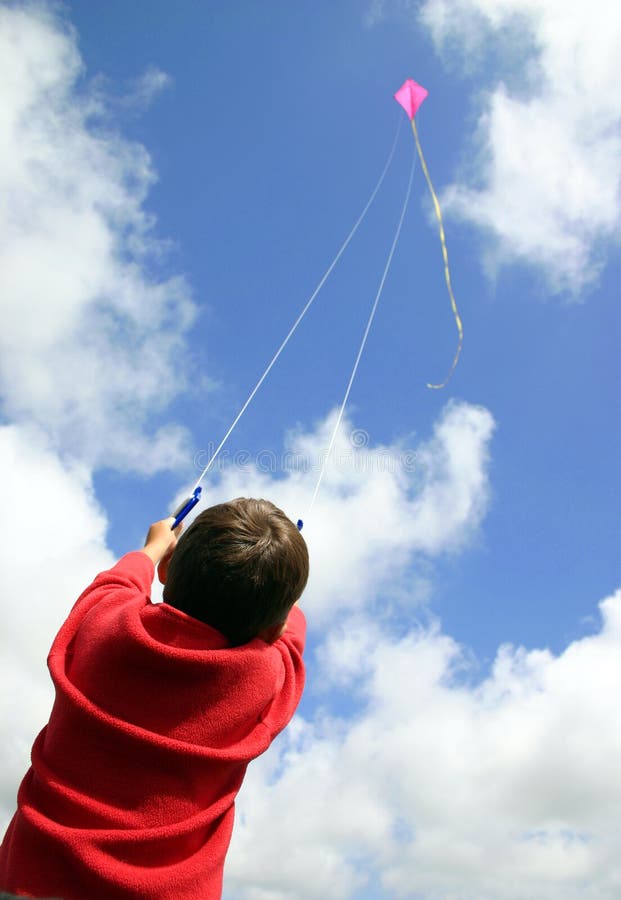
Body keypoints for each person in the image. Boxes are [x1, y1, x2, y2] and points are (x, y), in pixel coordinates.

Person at [0, 498, 308, 900]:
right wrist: (281, 595)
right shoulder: (266, 680)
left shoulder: (103, 625)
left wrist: (153, 548)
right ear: (272, 629)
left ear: (166, 571)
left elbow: (117, 582)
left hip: (28, 879)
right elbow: (291, 639)